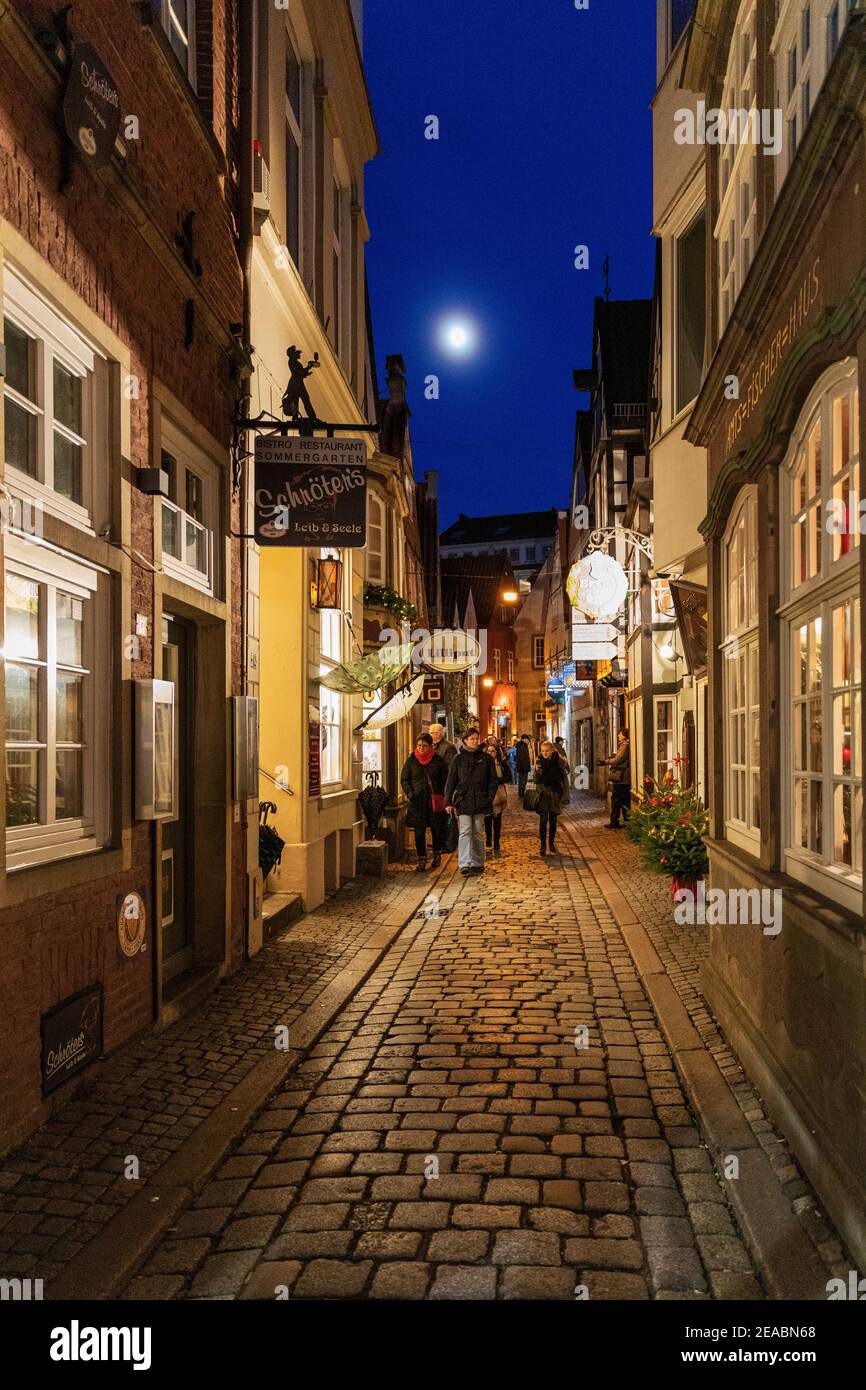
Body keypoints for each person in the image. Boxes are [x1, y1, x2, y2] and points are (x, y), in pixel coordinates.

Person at [444, 727, 498, 875]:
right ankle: (465, 863)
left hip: (480, 799)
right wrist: (448, 802)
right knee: (465, 831)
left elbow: (493, 781)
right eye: (471, 738)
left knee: (478, 832)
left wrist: (489, 797)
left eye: (476, 738)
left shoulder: (486, 759)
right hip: (463, 799)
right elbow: (451, 781)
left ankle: (478, 862)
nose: (474, 741)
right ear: (465, 741)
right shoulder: (458, 759)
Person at [400, 734, 448, 871]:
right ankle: (422, 859)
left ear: (430, 746)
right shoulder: (411, 761)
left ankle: (437, 854)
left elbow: (446, 779)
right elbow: (404, 779)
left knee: (436, 829)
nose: (421, 748)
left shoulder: (438, 761)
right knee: (419, 831)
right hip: (417, 801)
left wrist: (442, 794)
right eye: (419, 745)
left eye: (424, 746)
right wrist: (410, 793)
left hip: (434, 801)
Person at [534, 739, 567, 856]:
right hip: (543, 793)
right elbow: (536, 780)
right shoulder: (539, 762)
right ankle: (543, 845)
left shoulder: (558, 761)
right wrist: (538, 771)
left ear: (552, 751)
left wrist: (564, 796)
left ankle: (551, 843)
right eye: (543, 751)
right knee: (543, 821)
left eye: (547, 751)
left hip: (554, 793)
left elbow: (564, 777)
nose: (544, 753)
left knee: (553, 821)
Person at [428, 723, 457, 853]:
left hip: (444, 787)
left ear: (439, 733)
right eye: (430, 733)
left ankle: (449, 844)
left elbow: (451, 769)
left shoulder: (448, 747)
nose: (431, 735)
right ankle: (438, 842)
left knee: (448, 817)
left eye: (432, 733)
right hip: (434, 788)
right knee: (437, 817)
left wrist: (448, 789)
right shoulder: (432, 746)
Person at [483, 736, 510, 857]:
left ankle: (497, 841)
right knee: (487, 819)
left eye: (493, 751)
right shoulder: (482, 764)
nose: (491, 753)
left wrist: (498, 780)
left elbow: (509, 777)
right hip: (487, 794)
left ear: (496, 752)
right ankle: (488, 841)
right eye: (489, 751)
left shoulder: (502, 763)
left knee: (497, 820)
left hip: (499, 793)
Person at [604, 728, 632, 828]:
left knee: (616, 800)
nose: (618, 735)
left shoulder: (624, 745)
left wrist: (606, 761)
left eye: (619, 734)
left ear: (624, 735)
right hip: (625, 777)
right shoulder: (626, 744)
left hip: (622, 777)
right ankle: (627, 822)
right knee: (624, 800)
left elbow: (618, 759)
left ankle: (614, 822)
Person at [514, 732, 535, 797]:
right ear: (524, 739)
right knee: (522, 781)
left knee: (523, 781)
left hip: (524, 767)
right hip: (522, 768)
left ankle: (522, 792)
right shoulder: (521, 746)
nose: (528, 741)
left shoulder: (523, 746)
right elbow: (522, 758)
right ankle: (521, 793)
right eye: (528, 739)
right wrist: (524, 768)